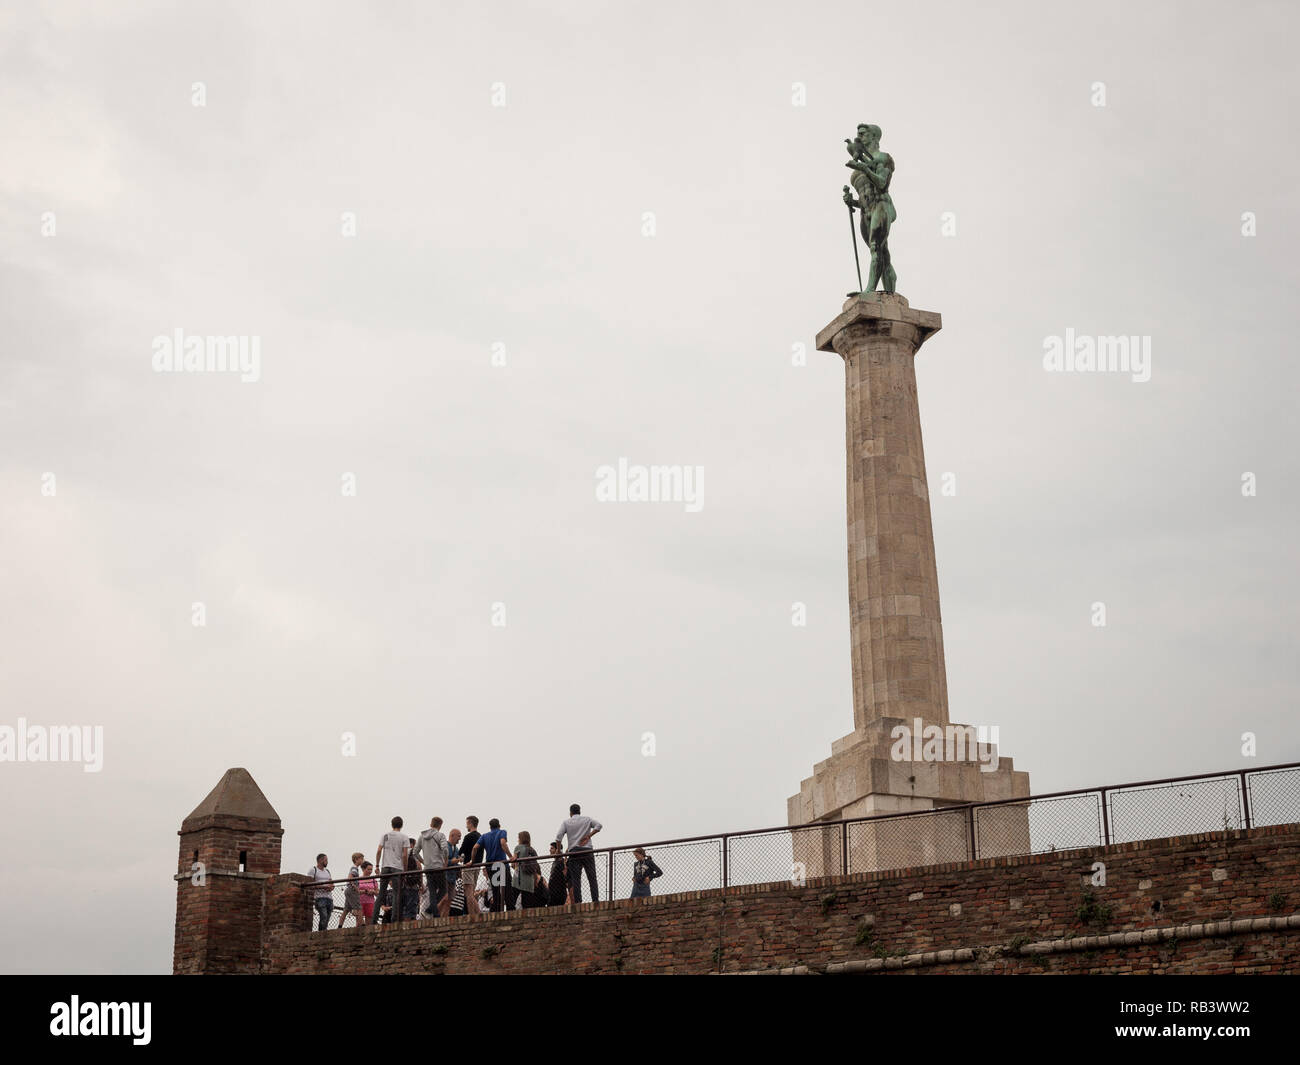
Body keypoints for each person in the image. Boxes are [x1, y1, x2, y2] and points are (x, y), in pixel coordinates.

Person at [555, 803, 603, 903]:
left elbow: (558, 837)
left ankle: (578, 902)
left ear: (570, 813)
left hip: (574, 852)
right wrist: (589, 836)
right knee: (592, 876)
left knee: (576, 879)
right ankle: (595, 900)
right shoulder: (587, 819)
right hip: (587, 850)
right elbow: (599, 826)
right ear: (580, 811)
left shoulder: (566, 822)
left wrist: (558, 850)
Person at [371, 816, 408, 925]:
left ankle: (374, 919)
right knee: (397, 893)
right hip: (397, 867)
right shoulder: (404, 837)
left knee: (381, 893)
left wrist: (377, 865)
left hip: (385, 866)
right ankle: (394, 919)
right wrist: (405, 870)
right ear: (401, 825)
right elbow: (405, 855)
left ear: (392, 824)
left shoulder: (385, 835)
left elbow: (379, 850)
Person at [478, 818, 512, 912]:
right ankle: (510, 910)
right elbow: (502, 842)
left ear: (490, 827)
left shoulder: (484, 836)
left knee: (496, 891)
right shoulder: (502, 832)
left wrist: (473, 860)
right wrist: (510, 856)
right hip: (502, 865)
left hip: (491, 866)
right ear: (499, 825)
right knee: (507, 889)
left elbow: (475, 847)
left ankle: (496, 911)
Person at [419, 817, 449, 917]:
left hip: (427, 868)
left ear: (431, 823)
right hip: (438, 867)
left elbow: (415, 852)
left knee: (432, 890)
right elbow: (445, 849)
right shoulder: (440, 835)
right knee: (443, 889)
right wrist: (445, 862)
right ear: (440, 825)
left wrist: (423, 862)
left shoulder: (422, 836)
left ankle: (433, 913)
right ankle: (429, 910)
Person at [512, 830, 544, 909]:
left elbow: (513, 863)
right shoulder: (532, 850)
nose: (517, 840)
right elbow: (535, 866)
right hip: (530, 879)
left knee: (512, 900)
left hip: (518, 879)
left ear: (521, 839)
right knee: (527, 904)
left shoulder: (518, 847)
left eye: (518, 838)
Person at [459, 816, 482, 917]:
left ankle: (472, 916)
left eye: (467, 823)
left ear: (470, 824)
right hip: (478, 866)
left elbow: (460, 852)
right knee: (471, 893)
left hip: (468, 865)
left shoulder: (468, 837)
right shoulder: (480, 836)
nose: (466, 826)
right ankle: (479, 914)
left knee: (468, 893)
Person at [339, 851, 364, 928]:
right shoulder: (354, 868)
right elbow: (350, 877)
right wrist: (355, 887)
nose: (363, 860)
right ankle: (362, 925)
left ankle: (340, 926)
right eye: (361, 859)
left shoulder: (354, 868)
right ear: (356, 859)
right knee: (358, 907)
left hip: (348, 890)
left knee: (346, 909)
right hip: (352, 890)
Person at [310, 853, 333, 931]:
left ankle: (323, 932)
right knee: (324, 916)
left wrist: (331, 887)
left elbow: (331, 883)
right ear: (320, 860)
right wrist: (323, 887)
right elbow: (310, 884)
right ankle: (321, 933)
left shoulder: (327, 871)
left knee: (327, 918)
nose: (327, 862)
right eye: (326, 860)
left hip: (329, 897)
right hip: (319, 898)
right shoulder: (313, 870)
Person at [400, 837, 421, 921]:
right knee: (412, 905)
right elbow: (419, 867)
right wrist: (420, 882)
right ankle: (409, 924)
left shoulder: (401, 854)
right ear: (412, 845)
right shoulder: (413, 853)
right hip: (412, 882)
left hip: (404, 882)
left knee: (405, 905)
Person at [443, 829, 463, 918]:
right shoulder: (445, 847)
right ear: (452, 835)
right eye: (458, 836)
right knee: (444, 899)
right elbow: (443, 862)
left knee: (449, 901)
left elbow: (455, 861)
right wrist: (452, 861)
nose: (460, 838)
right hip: (445, 877)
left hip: (453, 878)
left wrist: (459, 861)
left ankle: (445, 918)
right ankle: (434, 914)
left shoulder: (456, 849)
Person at [546, 841, 569, 907]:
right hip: (553, 894)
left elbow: (565, 875)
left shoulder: (561, 862)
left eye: (552, 848)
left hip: (559, 894)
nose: (549, 850)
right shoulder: (555, 862)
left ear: (557, 850)